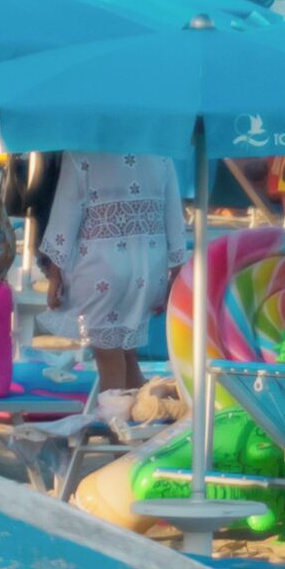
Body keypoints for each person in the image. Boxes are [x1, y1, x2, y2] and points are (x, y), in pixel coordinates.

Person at [28, 150, 186, 402]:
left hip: (100, 266)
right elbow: (174, 217)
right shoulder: (160, 153)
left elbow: (65, 218)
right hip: (148, 266)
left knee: (109, 356)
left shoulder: (82, 154)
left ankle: (117, 425)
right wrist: (176, 273)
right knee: (126, 352)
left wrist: (55, 274)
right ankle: (145, 416)